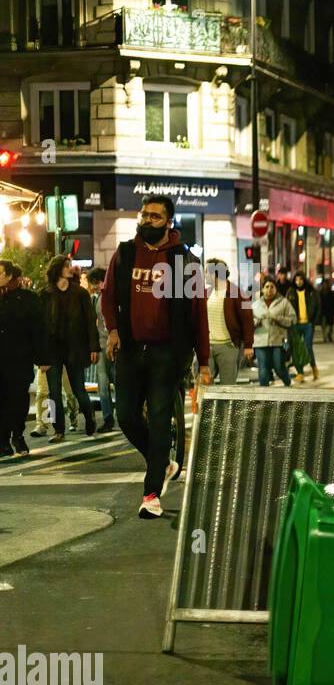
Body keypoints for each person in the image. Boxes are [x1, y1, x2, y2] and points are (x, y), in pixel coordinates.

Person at [101, 194, 211, 520]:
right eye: (145, 215)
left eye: (155, 217)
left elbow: (198, 315)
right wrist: (113, 330)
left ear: (169, 222)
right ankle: (161, 461)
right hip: (132, 349)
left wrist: (203, 361)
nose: (147, 221)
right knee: (126, 416)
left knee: (161, 419)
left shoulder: (184, 261)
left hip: (168, 351)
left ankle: (151, 495)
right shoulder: (125, 253)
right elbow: (108, 296)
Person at [37, 255, 99, 443]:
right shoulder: (45, 294)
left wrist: (93, 347)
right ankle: (59, 431)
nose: (69, 269)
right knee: (53, 392)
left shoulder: (79, 293)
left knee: (79, 390)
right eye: (66, 266)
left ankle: (89, 418)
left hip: (75, 348)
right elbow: (39, 326)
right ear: (57, 269)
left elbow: (90, 321)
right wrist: (40, 356)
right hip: (52, 350)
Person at [0, 261, 42, 457]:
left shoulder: (28, 299)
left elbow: (38, 329)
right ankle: (3, 441)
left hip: (19, 359)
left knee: (17, 400)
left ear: (9, 275)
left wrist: (43, 356)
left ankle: (17, 435)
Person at [205, 259, 254, 386]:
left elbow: (248, 319)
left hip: (228, 347)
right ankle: (207, 407)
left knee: (227, 387)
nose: (204, 275)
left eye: (206, 272)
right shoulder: (206, 293)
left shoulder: (238, 293)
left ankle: (224, 407)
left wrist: (248, 345)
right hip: (207, 348)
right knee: (204, 386)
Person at [251, 278, 296, 387]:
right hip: (260, 341)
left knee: (279, 367)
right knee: (263, 369)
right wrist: (256, 321)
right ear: (262, 289)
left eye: (272, 287)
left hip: (279, 341)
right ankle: (264, 396)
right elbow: (248, 323)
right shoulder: (255, 305)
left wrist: (277, 318)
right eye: (267, 287)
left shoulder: (284, 302)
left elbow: (293, 320)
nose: (269, 290)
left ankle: (288, 382)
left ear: (276, 289)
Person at [86, 267, 115, 433]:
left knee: (119, 383)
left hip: (115, 346)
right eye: (94, 284)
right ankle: (108, 418)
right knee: (102, 385)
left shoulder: (113, 297)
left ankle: (124, 417)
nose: (96, 286)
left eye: (98, 282)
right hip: (102, 345)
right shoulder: (97, 299)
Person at [287, 270, 320, 382]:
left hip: (308, 324)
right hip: (295, 324)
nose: (298, 281)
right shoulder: (290, 292)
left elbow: (318, 306)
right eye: (296, 279)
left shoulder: (311, 291)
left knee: (307, 346)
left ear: (304, 280)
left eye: (300, 279)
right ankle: (300, 372)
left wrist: (314, 321)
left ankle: (314, 367)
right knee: (296, 349)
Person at [319, 275, 334, 344]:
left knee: (330, 325)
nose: (325, 286)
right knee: (324, 326)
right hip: (323, 312)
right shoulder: (320, 294)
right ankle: (325, 337)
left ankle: (329, 335)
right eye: (323, 284)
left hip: (330, 312)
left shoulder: (332, 293)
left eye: (326, 284)